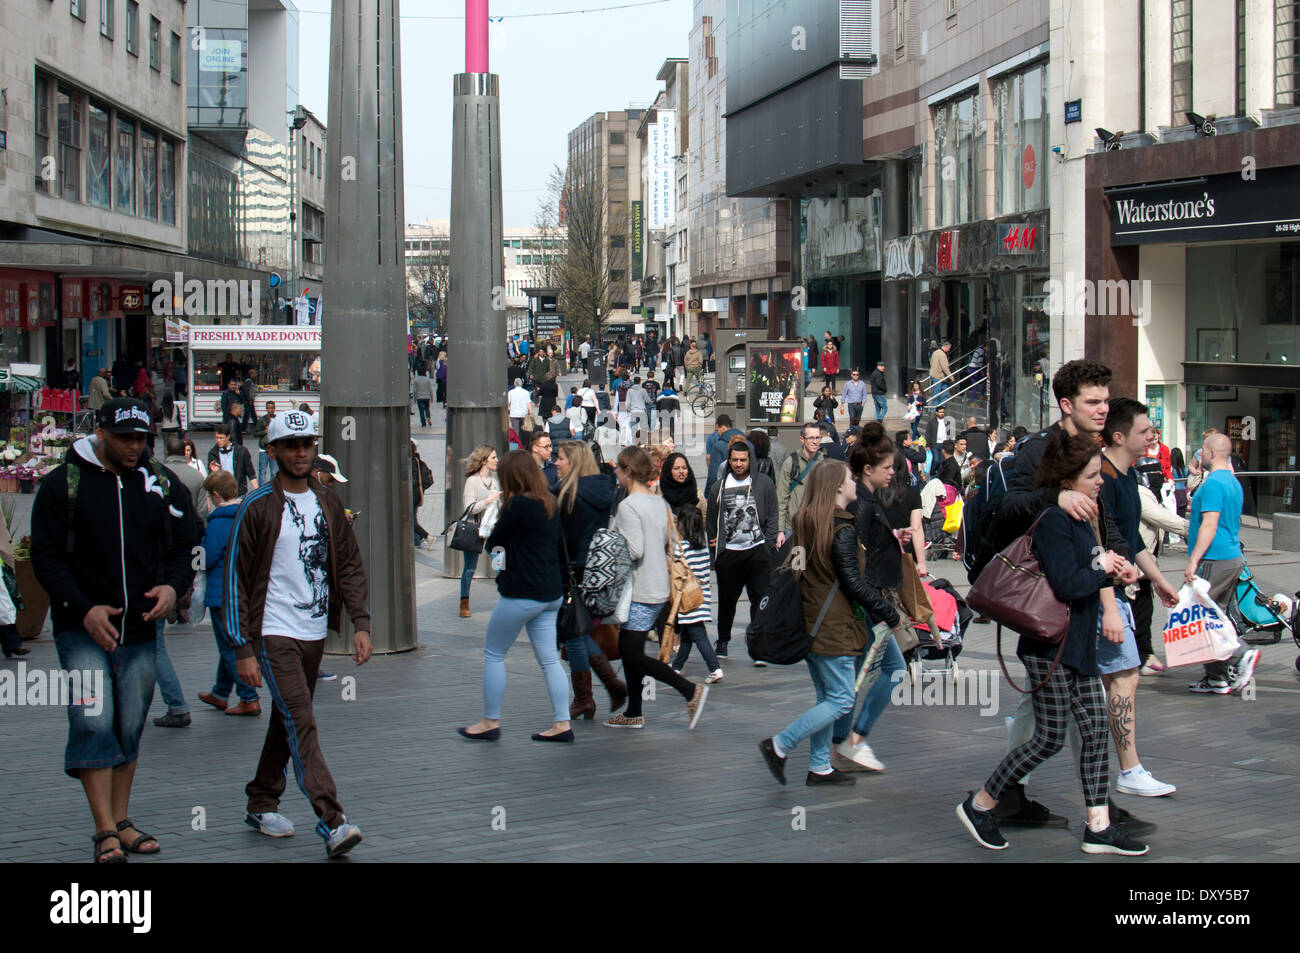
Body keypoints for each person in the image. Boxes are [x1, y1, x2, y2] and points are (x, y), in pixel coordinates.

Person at [958, 432, 1149, 857]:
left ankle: (1098, 827)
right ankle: (981, 803)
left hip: (1075, 646)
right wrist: (1104, 573)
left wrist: (1110, 566)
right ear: (1068, 479)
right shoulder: (1055, 521)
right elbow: (1066, 583)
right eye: (1093, 475)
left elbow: (1087, 567)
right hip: (1051, 649)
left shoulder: (1084, 517)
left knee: (1096, 732)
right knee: (1048, 738)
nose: (1101, 482)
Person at [30, 398, 198, 862]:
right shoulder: (63, 484)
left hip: (142, 629)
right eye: (125, 438)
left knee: (129, 722)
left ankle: (121, 820)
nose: (134, 447)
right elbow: (45, 556)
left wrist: (172, 586)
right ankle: (104, 829)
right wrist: (82, 610)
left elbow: (185, 545)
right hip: (80, 628)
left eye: (142, 438)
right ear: (101, 433)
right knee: (94, 719)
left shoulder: (159, 483)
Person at [226, 408, 372, 857]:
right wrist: (242, 648)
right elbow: (235, 578)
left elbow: (347, 563)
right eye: (291, 445)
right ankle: (333, 820)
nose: (301, 452)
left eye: (307, 444)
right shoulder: (257, 506)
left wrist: (361, 622)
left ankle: (261, 799)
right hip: (271, 632)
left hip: (312, 632)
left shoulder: (327, 501)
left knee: (287, 716)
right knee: (302, 719)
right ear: (272, 451)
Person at [758, 460, 901, 787]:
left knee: (828, 698)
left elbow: (794, 571)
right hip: (834, 625)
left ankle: (820, 766)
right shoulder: (842, 528)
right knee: (841, 699)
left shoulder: (805, 523)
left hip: (809, 621)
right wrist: (888, 613)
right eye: (850, 478)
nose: (855, 482)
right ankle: (781, 744)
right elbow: (853, 582)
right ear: (837, 486)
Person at [458, 450, 574, 744]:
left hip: (521, 593)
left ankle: (490, 720)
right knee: (549, 659)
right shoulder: (549, 502)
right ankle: (562, 723)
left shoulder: (516, 505)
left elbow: (494, 545)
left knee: (494, 653)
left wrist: (502, 572)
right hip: (550, 593)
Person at [1097, 398, 1180, 796]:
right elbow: (1100, 543)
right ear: (1119, 436)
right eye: (1145, 431)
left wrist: (1159, 580)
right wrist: (1112, 597)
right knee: (1125, 676)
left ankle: (1021, 756)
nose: (1152, 436)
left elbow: (1132, 541)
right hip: (1102, 595)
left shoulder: (1129, 477)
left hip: (1118, 593)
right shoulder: (1103, 480)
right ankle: (1129, 770)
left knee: (1071, 692)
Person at [604, 447, 710, 730]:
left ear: (628, 471)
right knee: (631, 650)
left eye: (619, 469)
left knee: (633, 654)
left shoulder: (628, 506)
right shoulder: (659, 502)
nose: (616, 474)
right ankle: (633, 712)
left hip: (639, 589)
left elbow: (634, 550)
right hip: (659, 587)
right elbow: (666, 543)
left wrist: (613, 541)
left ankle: (689, 690)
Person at [833, 432, 914, 771]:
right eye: (887, 467)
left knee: (854, 676)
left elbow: (864, 551)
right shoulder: (863, 505)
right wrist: (878, 609)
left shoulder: (868, 500)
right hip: (869, 603)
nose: (893, 472)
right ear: (868, 469)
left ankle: (841, 742)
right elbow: (855, 560)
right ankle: (852, 740)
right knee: (893, 670)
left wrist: (893, 537)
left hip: (867, 602)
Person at [553, 442, 626, 718]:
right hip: (594, 569)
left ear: (573, 462)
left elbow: (565, 539)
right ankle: (597, 690)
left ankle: (593, 692)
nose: (556, 463)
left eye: (560, 459)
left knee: (573, 632)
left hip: (570, 570)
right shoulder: (601, 489)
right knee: (577, 630)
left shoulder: (569, 495)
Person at [1184, 432, 1260, 695]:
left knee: (1203, 617)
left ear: (1212, 453)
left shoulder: (1215, 483)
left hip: (1213, 559)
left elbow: (1210, 522)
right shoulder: (1232, 481)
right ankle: (1216, 677)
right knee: (1216, 614)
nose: (1199, 455)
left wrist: (1193, 560)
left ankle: (1240, 655)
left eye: (1202, 450)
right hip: (1229, 557)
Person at [196, 470, 260, 717]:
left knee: (228, 646)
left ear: (214, 495)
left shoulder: (219, 520)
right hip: (244, 589)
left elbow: (206, 557)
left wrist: (195, 553)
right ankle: (220, 693)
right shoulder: (246, 515)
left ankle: (249, 697)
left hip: (221, 592)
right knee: (230, 642)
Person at [706, 440, 778, 660]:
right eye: (734, 460)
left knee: (759, 600)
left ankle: (757, 645)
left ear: (750, 461)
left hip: (757, 550)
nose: (738, 464)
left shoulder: (763, 483)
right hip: (729, 553)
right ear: (729, 461)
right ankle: (723, 640)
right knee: (727, 601)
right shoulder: (719, 487)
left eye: (743, 460)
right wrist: (715, 553)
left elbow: (773, 514)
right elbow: (711, 521)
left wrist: (768, 544)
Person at [1137, 473, 1187, 675]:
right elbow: (1162, 518)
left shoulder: (1147, 493)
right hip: (1138, 565)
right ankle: (1143, 656)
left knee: (1142, 609)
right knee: (1139, 610)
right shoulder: (1140, 493)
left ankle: (1144, 654)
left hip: (1144, 564)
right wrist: (1191, 528)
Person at [668, 502, 723, 682]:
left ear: (683, 525)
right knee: (687, 635)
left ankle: (715, 668)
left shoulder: (681, 549)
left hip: (688, 598)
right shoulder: (703, 546)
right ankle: (677, 666)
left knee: (698, 635)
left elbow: (675, 571)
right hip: (701, 596)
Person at [459, 445, 501, 618]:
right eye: (493, 458)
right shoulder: (472, 481)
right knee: (470, 568)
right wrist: (487, 500)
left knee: (502, 565)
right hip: (474, 529)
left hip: (493, 529)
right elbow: (469, 508)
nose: (497, 460)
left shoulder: (495, 480)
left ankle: (506, 600)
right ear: (484, 461)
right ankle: (464, 602)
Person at [776, 422, 826, 547]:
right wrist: (780, 530)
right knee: (797, 564)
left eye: (818, 437)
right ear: (802, 439)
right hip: (794, 527)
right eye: (811, 438)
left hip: (817, 527)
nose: (815, 442)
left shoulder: (824, 462)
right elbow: (781, 497)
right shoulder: (791, 462)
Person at [164, 437, 209, 527]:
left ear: (167, 452)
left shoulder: (160, 474)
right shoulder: (197, 475)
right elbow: (202, 511)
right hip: (189, 527)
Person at [208, 423, 256, 496]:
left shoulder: (241, 451)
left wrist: (257, 491)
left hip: (239, 492)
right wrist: (214, 472)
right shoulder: (213, 453)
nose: (218, 440)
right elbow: (211, 479)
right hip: (222, 494)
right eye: (216, 437)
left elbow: (251, 473)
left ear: (228, 437)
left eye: (221, 438)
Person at [703, 414, 744, 498]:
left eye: (717, 430)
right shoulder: (746, 441)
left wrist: (708, 494)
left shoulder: (717, 444)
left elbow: (713, 473)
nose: (717, 433)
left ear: (722, 427)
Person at [254, 401, 280, 486]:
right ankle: (261, 489)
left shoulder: (277, 419)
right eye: (269, 408)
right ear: (266, 409)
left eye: (272, 408)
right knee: (262, 471)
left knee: (274, 471)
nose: (271, 410)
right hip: (264, 449)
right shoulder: (262, 420)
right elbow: (256, 433)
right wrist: (264, 432)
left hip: (274, 448)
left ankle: (273, 488)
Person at [929, 340, 954, 408]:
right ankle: (936, 410)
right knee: (937, 394)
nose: (949, 350)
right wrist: (951, 377)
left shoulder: (935, 352)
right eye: (949, 348)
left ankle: (942, 407)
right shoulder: (942, 355)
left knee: (945, 391)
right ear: (946, 346)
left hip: (936, 375)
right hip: (938, 377)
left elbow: (931, 362)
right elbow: (945, 367)